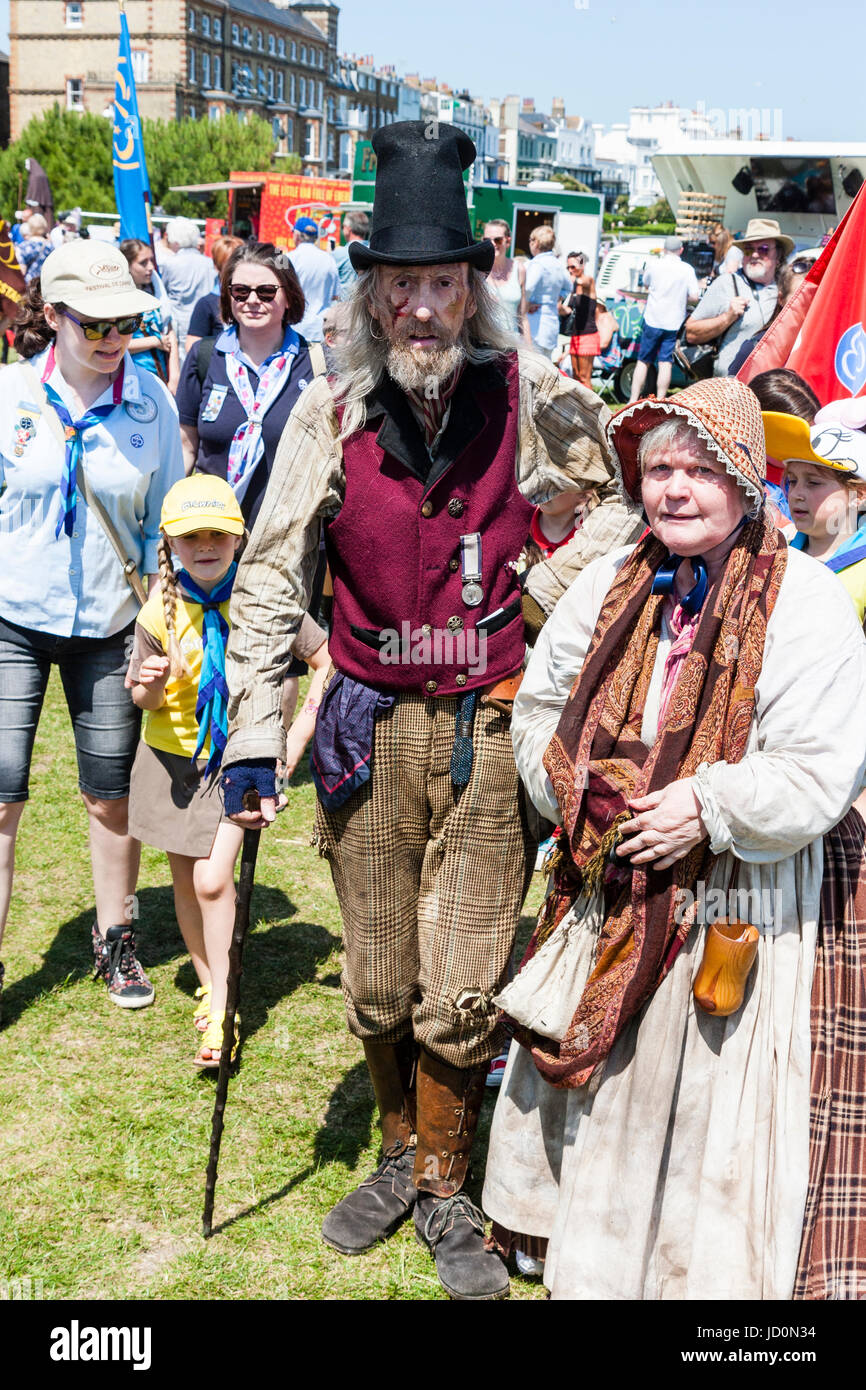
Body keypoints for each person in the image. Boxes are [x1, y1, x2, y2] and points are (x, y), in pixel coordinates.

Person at [219, 120, 615, 1301]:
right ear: (374, 294)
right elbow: (267, 570)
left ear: (473, 286)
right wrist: (250, 731)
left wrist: (540, 591)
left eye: (442, 283)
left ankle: (446, 1176)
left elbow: (620, 507)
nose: (423, 308)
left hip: (487, 726)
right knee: (380, 980)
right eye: (403, 286)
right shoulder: (327, 413)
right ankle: (396, 1146)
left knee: (462, 983)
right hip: (362, 730)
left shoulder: (535, 394)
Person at [482, 376, 866, 1300]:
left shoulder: (804, 601)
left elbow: (820, 766)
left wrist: (703, 807)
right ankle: (586, 1244)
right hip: (608, 876)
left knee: (699, 1088)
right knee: (607, 1073)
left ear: (743, 478)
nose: (675, 489)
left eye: (700, 468)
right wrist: (581, 789)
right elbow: (538, 709)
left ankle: (689, 1279)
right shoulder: (613, 588)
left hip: (742, 894)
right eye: (659, 468)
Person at [0, 240, 184, 1019]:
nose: (113, 341)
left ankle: (117, 940)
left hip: (111, 627)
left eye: (124, 325)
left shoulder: (153, 404)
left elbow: (168, 528)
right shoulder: (9, 396)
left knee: (108, 794)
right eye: (95, 325)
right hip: (12, 620)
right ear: (52, 316)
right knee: (1, 797)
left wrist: (161, 629)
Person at [124, 474, 329, 1065]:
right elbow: (141, 698)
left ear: (239, 539)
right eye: (191, 536)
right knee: (186, 880)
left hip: (240, 761)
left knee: (214, 880)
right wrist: (149, 687)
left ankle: (221, 1015)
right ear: (170, 543)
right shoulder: (158, 609)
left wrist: (291, 745)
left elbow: (327, 661)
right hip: (171, 761)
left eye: (218, 533)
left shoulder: (263, 602)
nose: (205, 544)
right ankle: (212, 982)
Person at [763, 410, 866, 623]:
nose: (796, 494)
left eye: (813, 482)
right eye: (792, 481)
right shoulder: (775, 553)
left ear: (860, 494)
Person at [684, 217, 792, 376]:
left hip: (768, 388)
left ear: (778, 255)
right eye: (748, 249)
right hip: (729, 388)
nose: (755, 254)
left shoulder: (785, 288)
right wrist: (727, 317)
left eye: (763, 248)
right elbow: (691, 333)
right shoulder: (726, 283)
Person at [628, 236, 701, 402]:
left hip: (653, 318)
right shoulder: (687, 269)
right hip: (674, 322)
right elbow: (695, 296)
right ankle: (660, 400)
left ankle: (633, 399)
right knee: (665, 362)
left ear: (664, 249)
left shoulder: (654, 265)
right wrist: (682, 297)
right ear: (681, 250)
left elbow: (645, 284)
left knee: (643, 361)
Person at [119, 239, 180, 393]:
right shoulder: (119, 303)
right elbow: (114, 344)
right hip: (132, 381)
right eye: (143, 263)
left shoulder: (157, 296)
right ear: (127, 266)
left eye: (151, 260)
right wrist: (153, 341)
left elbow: (169, 332)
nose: (151, 267)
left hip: (163, 378)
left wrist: (174, 377)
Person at [159, 218, 214, 354]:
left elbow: (163, 291)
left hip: (179, 321)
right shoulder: (209, 263)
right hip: (206, 319)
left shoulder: (170, 263)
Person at [185, 234, 244, 354]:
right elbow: (193, 346)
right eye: (229, 265)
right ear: (217, 266)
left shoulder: (254, 298)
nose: (236, 269)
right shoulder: (207, 303)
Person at [288, 217, 339, 342]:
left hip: (294, 328)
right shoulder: (329, 259)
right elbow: (335, 296)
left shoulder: (288, 258)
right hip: (320, 330)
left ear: (297, 235)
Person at [524, 224, 571, 358]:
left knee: (532, 364)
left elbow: (527, 287)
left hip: (534, 322)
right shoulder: (558, 264)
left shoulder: (537, 264)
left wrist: (525, 305)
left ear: (536, 243)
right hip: (551, 321)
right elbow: (568, 287)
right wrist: (557, 298)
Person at [483, 219, 529, 343]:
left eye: (497, 240)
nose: (492, 244)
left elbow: (523, 317)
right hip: (484, 346)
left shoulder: (519, 269)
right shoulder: (478, 271)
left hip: (512, 345)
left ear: (508, 241)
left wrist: (530, 351)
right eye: (487, 240)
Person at [563, 250, 600, 389]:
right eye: (568, 267)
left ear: (582, 266)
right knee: (576, 377)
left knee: (585, 378)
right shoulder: (573, 287)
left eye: (573, 267)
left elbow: (583, 281)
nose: (570, 270)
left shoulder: (588, 281)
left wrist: (570, 279)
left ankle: (594, 410)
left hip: (588, 335)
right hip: (576, 335)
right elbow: (569, 310)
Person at [332, 211, 370, 299]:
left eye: (343, 226)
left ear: (348, 229)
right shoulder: (373, 249)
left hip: (345, 307)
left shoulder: (339, 254)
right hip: (368, 308)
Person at [16, 214, 52, 283]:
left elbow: (22, 272)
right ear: (44, 226)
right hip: (46, 286)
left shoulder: (23, 247)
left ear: (30, 227)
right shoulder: (51, 246)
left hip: (30, 288)